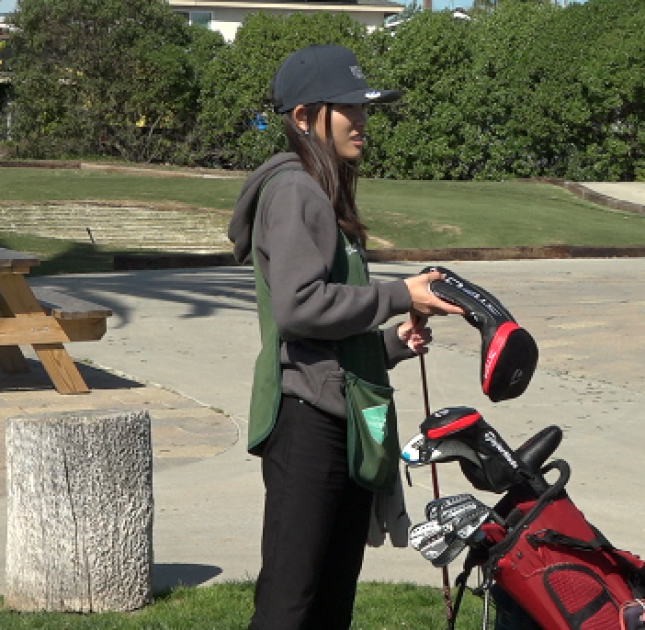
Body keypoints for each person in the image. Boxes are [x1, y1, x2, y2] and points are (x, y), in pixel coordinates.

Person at [227, 44, 463, 630]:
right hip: (306, 422)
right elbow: (299, 308)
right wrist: (399, 295)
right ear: (304, 117)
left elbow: (328, 331)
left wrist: (391, 343)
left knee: (331, 604)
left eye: (365, 107)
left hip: (341, 415)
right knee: (289, 606)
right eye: (348, 107)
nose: (361, 120)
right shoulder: (295, 191)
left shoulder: (324, 191)